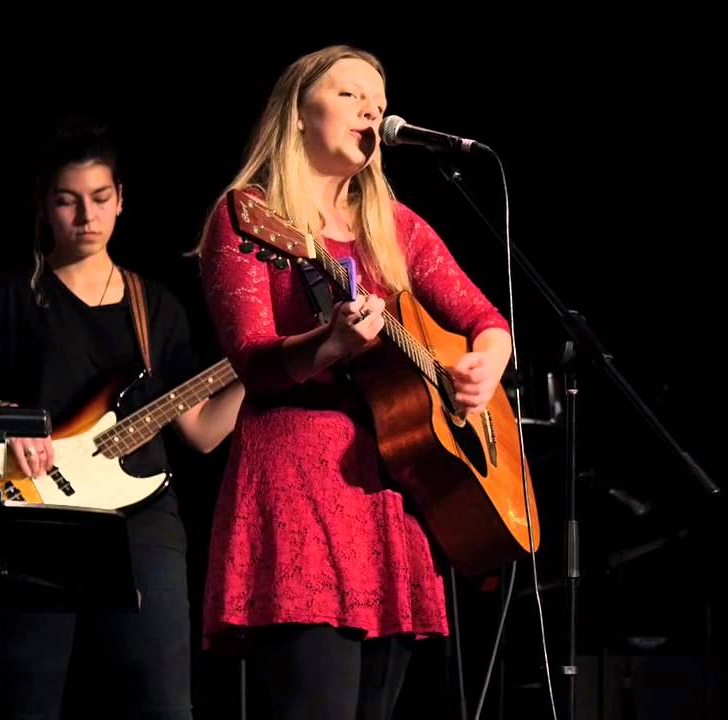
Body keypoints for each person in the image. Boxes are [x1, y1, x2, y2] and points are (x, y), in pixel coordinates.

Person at [196, 45, 513, 719]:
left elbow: (487, 321)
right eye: (350, 95)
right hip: (299, 488)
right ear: (298, 114)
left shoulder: (396, 228)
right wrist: (330, 342)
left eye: (379, 100)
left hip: (394, 493)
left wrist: (486, 364)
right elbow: (252, 360)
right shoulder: (249, 215)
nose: (372, 110)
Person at [0, 119, 245, 719]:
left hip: (141, 522)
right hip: (34, 516)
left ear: (121, 199)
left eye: (100, 199)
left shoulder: (156, 307)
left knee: (164, 705)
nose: (86, 216)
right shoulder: (9, 297)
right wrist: (8, 426)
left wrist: (260, 370)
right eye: (67, 201)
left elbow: (202, 433)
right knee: (25, 702)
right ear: (43, 206)